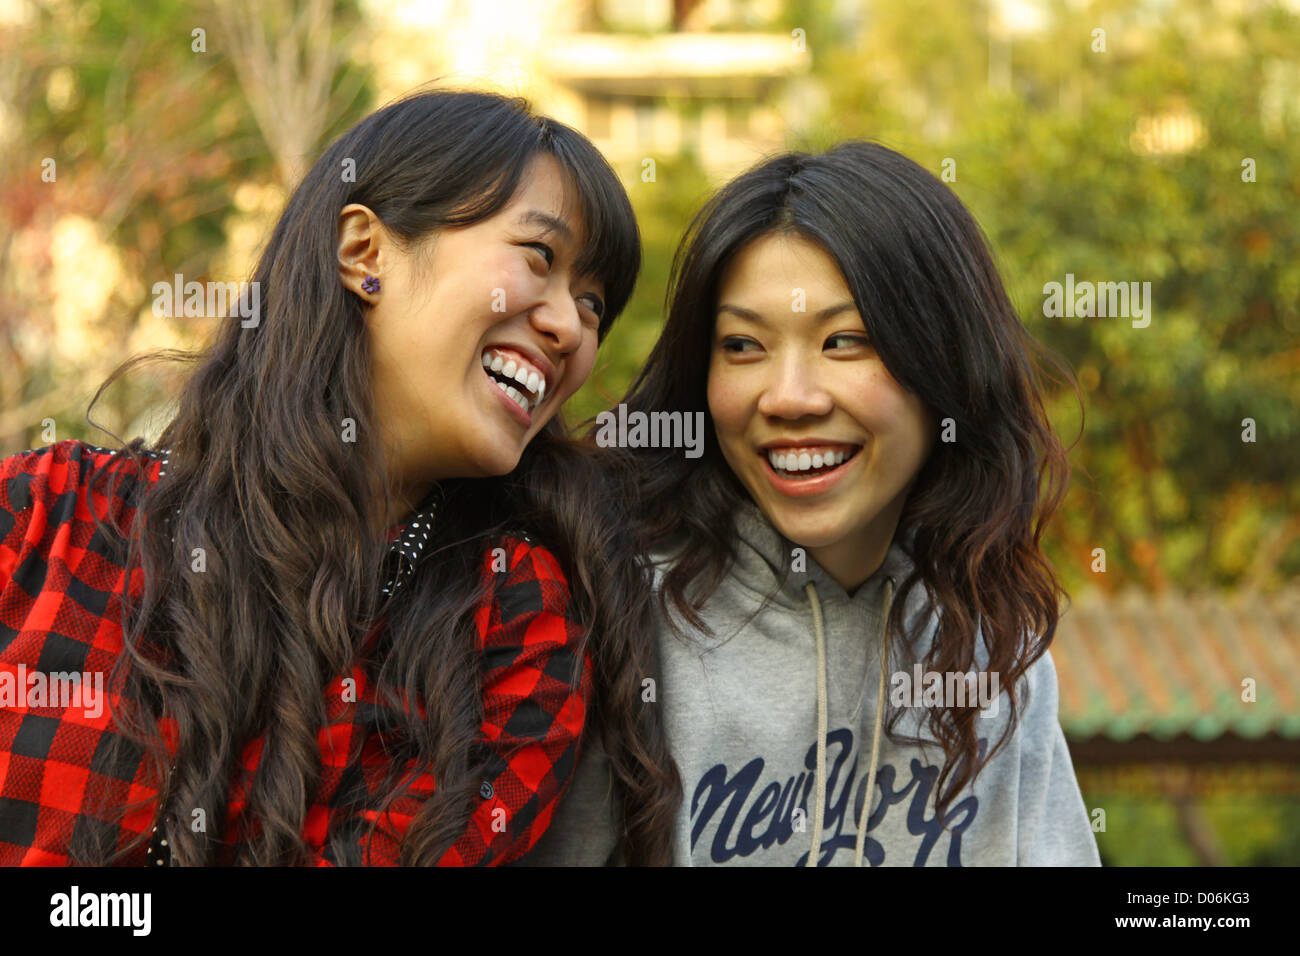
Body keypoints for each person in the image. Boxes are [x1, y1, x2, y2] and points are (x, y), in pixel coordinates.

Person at [0, 88, 678, 866]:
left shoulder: (513, 623)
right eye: (539, 258)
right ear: (365, 255)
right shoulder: (41, 518)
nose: (570, 328)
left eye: (594, 303)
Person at [526, 141, 1100, 866]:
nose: (789, 397)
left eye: (844, 341)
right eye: (742, 345)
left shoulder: (992, 643)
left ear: (942, 361)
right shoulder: (615, 606)